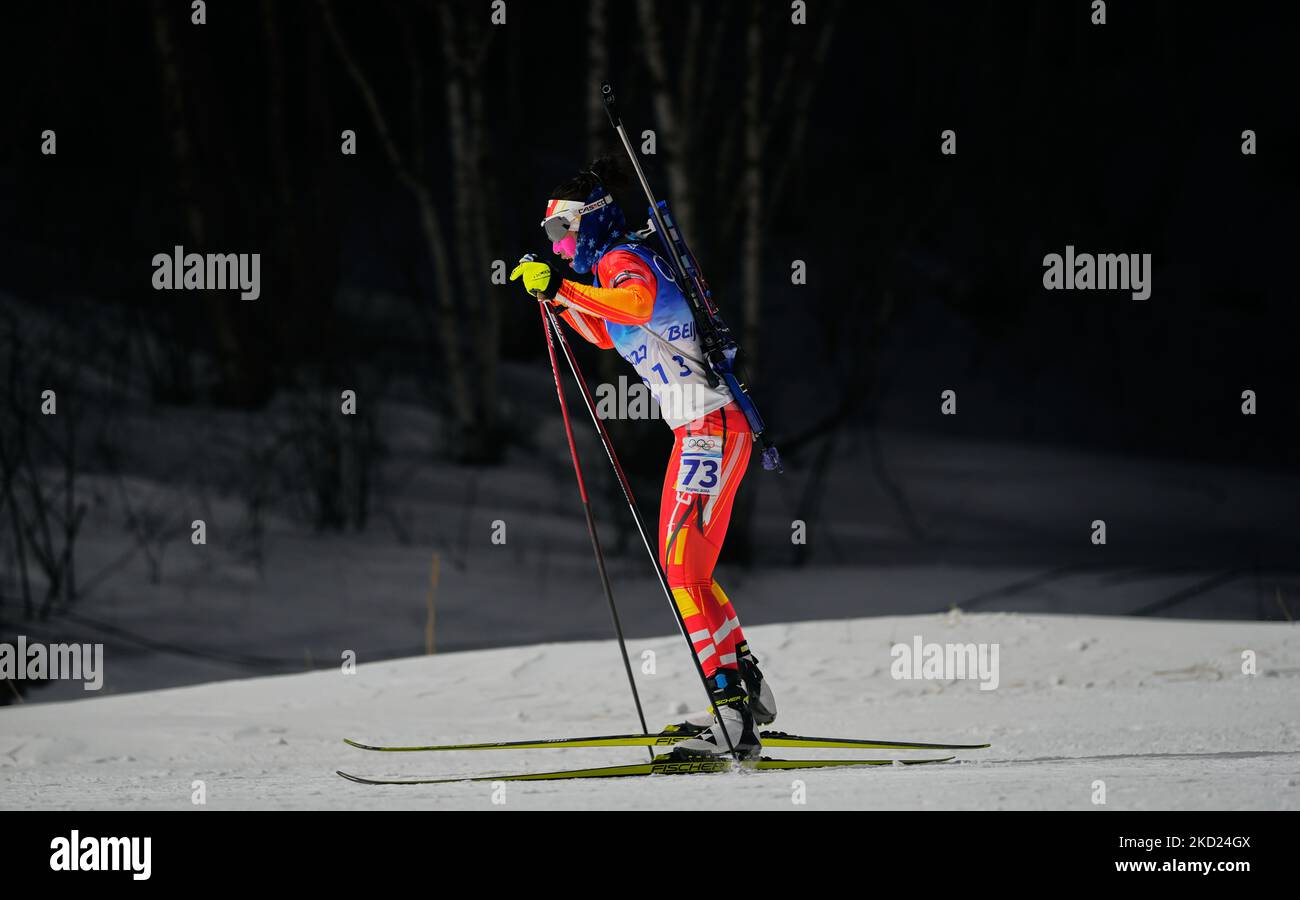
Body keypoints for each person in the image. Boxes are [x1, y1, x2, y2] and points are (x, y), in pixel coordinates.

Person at [510, 157, 776, 758]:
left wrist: (559, 288)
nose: (556, 245)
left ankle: (733, 715)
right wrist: (558, 300)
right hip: (699, 429)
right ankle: (746, 694)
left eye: (561, 230)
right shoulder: (608, 264)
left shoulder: (621, 260)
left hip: (711, 424)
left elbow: (633, 304)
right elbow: (608, 330)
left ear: (591, 222)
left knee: (682, 572)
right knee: (687, 574)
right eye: (549, 235)